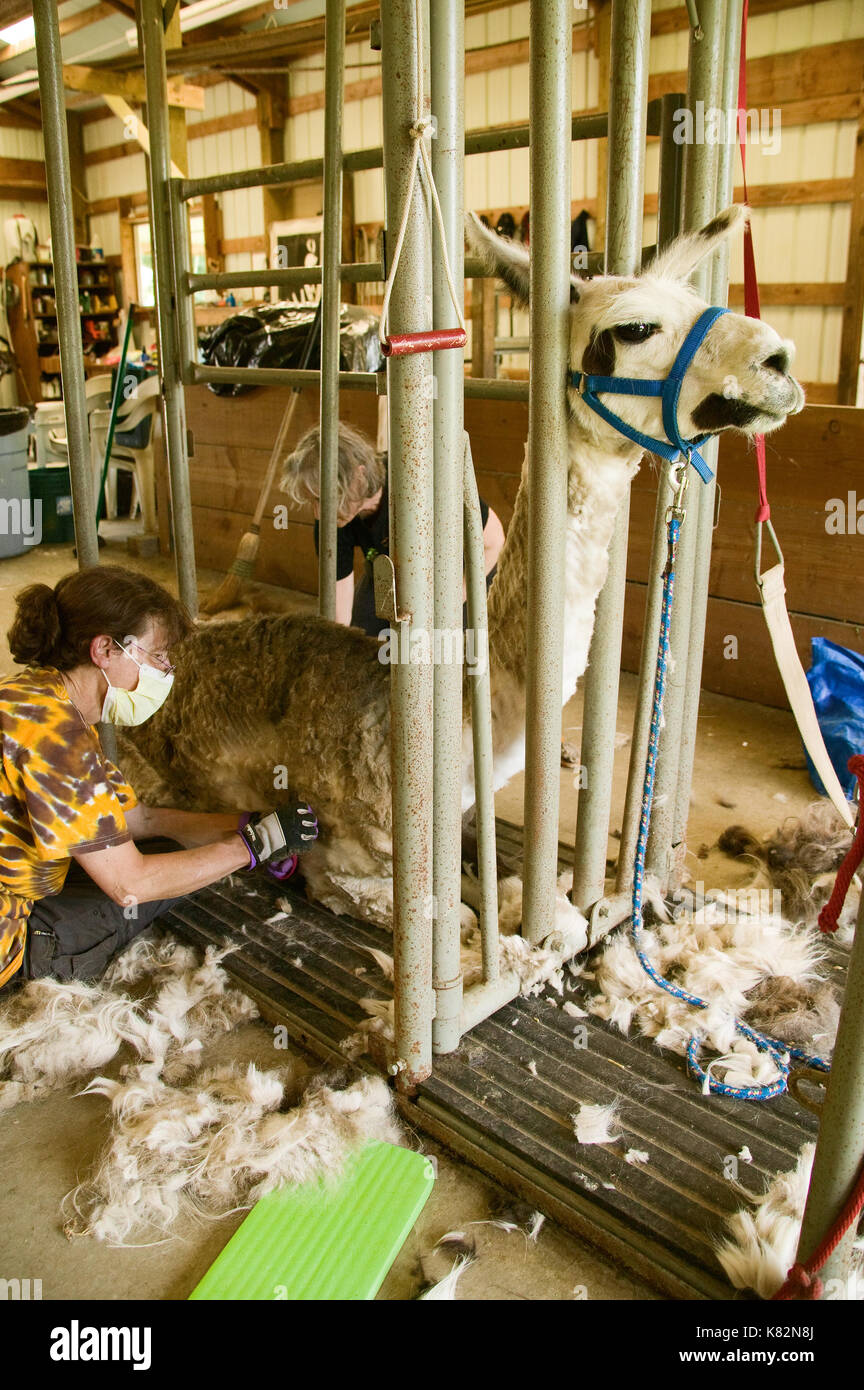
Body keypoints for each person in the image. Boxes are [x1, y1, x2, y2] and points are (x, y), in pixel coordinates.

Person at [0, 566, 318, 991]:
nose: (166, 672)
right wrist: (255, 848)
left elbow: (139, 820)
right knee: (155, 885)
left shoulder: (36, 698)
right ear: (104, 650)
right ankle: (34, 968)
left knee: (165, 849)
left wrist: (247, 822)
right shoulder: (58, 738)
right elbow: (130, 884)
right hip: (12, 942)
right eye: (158, 656)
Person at [281, 422, 506, 634]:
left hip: (458, 574)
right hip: (391, 573)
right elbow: (338, 612)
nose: (319, 514)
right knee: (364, 638)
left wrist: (448, 605)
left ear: (358, 477)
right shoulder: (335, 520)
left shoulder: (416, 479)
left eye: (324, 500)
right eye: (314, 501)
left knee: (440, 649)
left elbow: (493, 542)